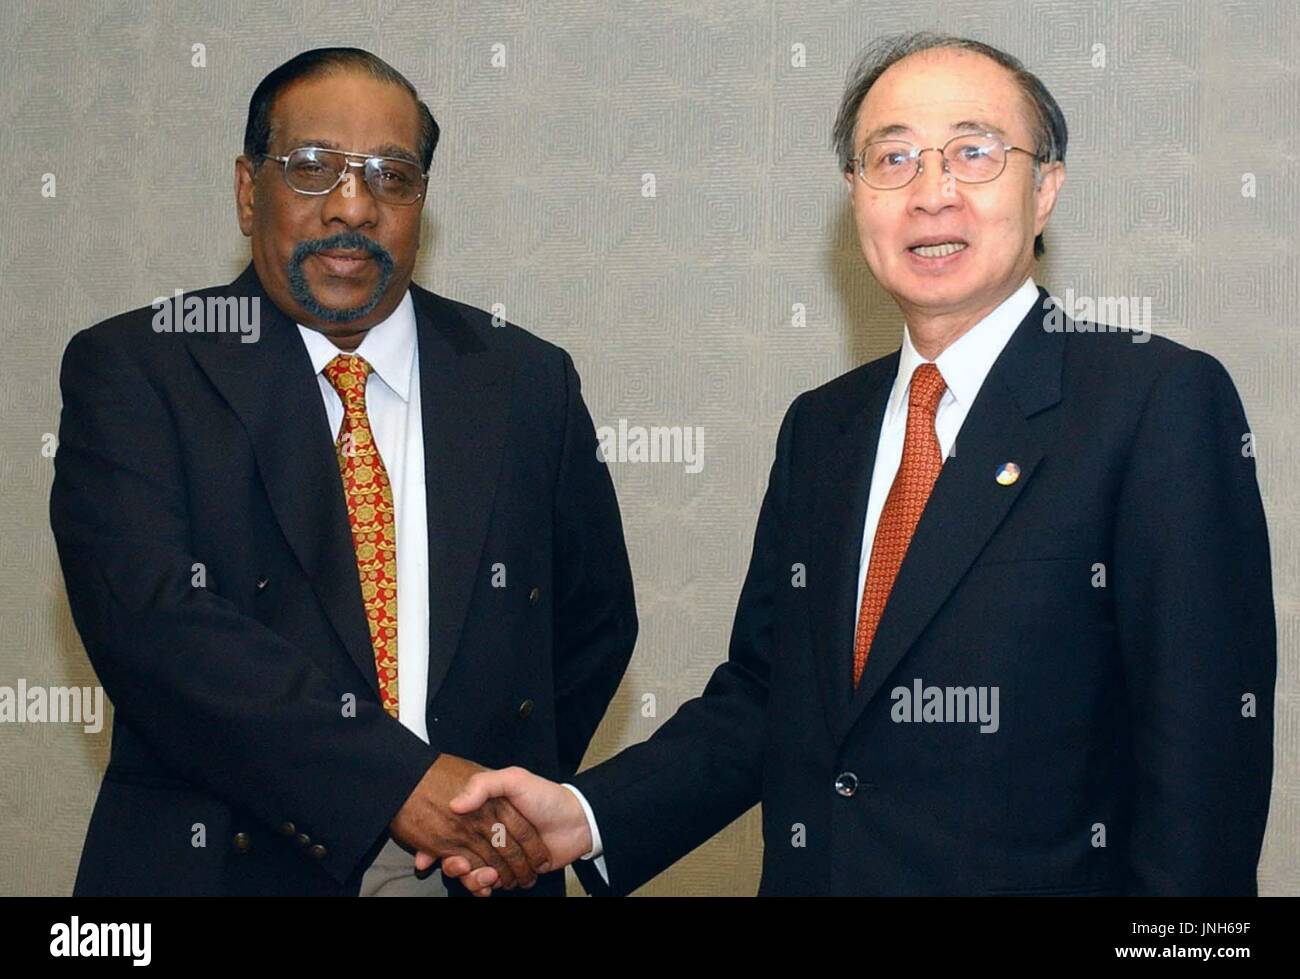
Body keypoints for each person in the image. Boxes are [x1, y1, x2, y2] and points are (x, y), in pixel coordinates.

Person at [441, 32, 1275, 897]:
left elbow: (1204, 769)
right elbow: (770, 698)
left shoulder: (1155, 403)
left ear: (1045, 190)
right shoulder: (822, 429)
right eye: (894, 158)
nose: (931, 192)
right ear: (854, 197)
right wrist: (585, 816)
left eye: (974, 152)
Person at [49, 47, 637, 897]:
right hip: (221, 867)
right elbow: (157, 631)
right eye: (314, 168)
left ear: (422, 202)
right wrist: (397, 785)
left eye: (392, 176)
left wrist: (477, 812)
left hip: (474, 873)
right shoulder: (139, 369)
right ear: (250, 188)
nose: (353, 207)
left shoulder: (525, 381)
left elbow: (594, 623)